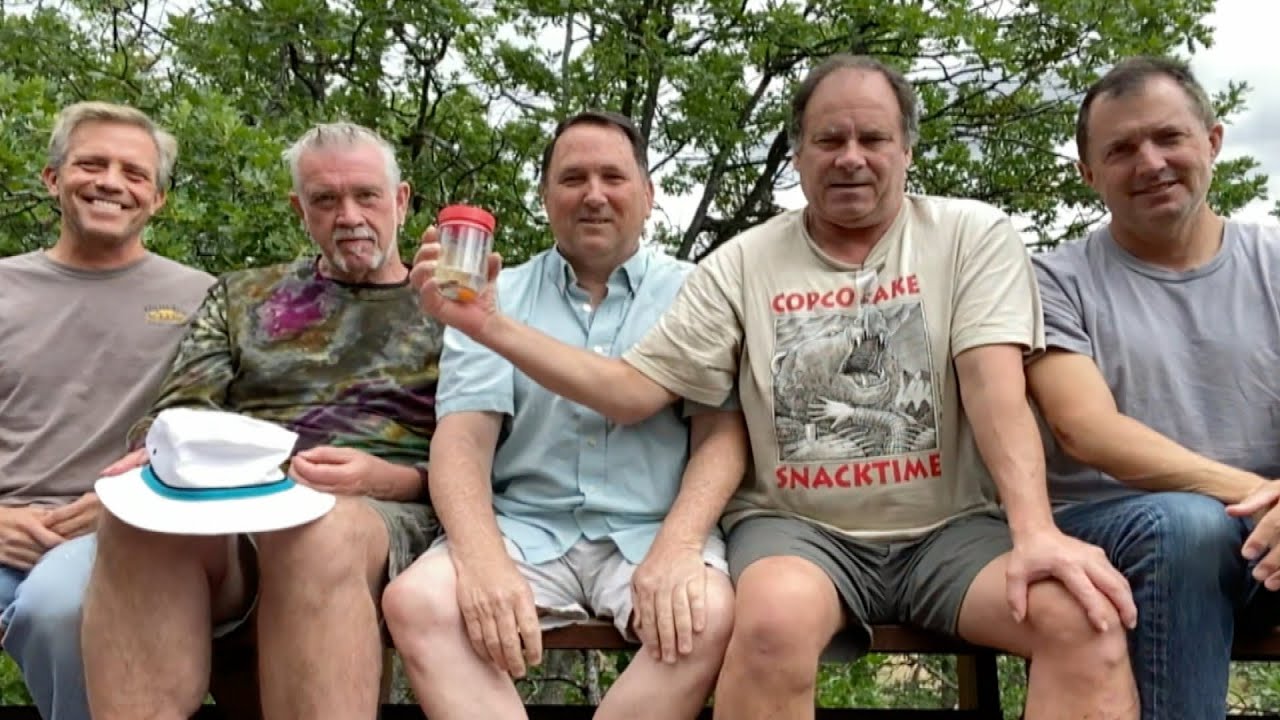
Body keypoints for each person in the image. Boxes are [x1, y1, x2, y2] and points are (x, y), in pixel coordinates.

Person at [412, 54, 1140, 719]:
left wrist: (1037, 530)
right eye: (828, 140)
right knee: (771, 621)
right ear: (798, 156)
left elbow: (995, 391)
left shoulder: (972, 236)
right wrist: (487, 324)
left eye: (872, 139)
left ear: (906, 151)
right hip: (800, 532)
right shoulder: (740, 264)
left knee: (1083, 619)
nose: (850, 157)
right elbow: (631, 392)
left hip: (952, 532)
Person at [382, 111, 743, 720]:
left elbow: (722, 437)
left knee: (706, 613)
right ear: (546, 196)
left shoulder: (697, 292)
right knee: (419, 602)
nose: (594, 195)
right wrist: (483, 558)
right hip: (523, 530)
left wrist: (681, 545)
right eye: (573, 178)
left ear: (649, 195)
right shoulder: (490, 295)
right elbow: (462, 443)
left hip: (650, 532)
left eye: (613, 177)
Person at [80, 121, 441, 720]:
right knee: (134, 524)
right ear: (301, 210)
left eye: (366, 196)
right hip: (241, 500)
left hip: (383, 515)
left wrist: (392, 479)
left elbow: (496, 451)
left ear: (400, 201)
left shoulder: (451, 305)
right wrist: (159, 450)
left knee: (319, 533)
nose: (348, 214)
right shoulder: (245, 296)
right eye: (325, 200)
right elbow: (179, 409)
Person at [1026, 56, 1280, 720]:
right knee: (1187, 527)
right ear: (1089, 174)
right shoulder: (1054, 282)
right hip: (1120, 535)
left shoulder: (1275, 267)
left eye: (1169, 138)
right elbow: (1087, 429)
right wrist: (1255, 499)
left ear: (1213, 142)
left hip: (1268, 537)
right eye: (1121, 149)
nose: (1150, 162)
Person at [0, 101, 213, 720]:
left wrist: (137, 499)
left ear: (158, 199)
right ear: (52, 178)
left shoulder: (202, 298)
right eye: (91, 163)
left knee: (59, 610)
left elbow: (218, 432)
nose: (111, 183)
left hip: (117, 530)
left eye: (135, 172)